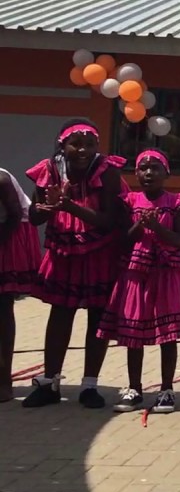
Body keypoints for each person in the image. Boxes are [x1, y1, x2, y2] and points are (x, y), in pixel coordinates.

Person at [23, 120, 125, 409]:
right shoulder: (50, 169)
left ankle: (89, 386)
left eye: (89, 144)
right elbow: (34, 217)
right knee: (60, 313)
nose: (83, 150)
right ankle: (49, 383)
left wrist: (70, 207)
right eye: (76, 144)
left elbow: (109, 222)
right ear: (62, 145)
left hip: (99, 251)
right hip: (64, 250)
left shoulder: (108, 171)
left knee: (97, 315)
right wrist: (45, 209)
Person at [97, 150, 180, 414]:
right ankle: (134, 388)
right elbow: (122, 240)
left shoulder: (175, 202)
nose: (149, 173)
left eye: (155, 168)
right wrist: (139, 226)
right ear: (136, 173)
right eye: (143, 168)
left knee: (167, 336)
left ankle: (166, 389)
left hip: (165, 274)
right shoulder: (128, 201)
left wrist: (158, 228)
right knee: (133, 334)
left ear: (166, 173)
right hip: (135, 274)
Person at [0, 165, 40, 402]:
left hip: (10, 235)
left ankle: (4, 383)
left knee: (2, 307)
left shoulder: (1, 180)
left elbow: (15, 216)